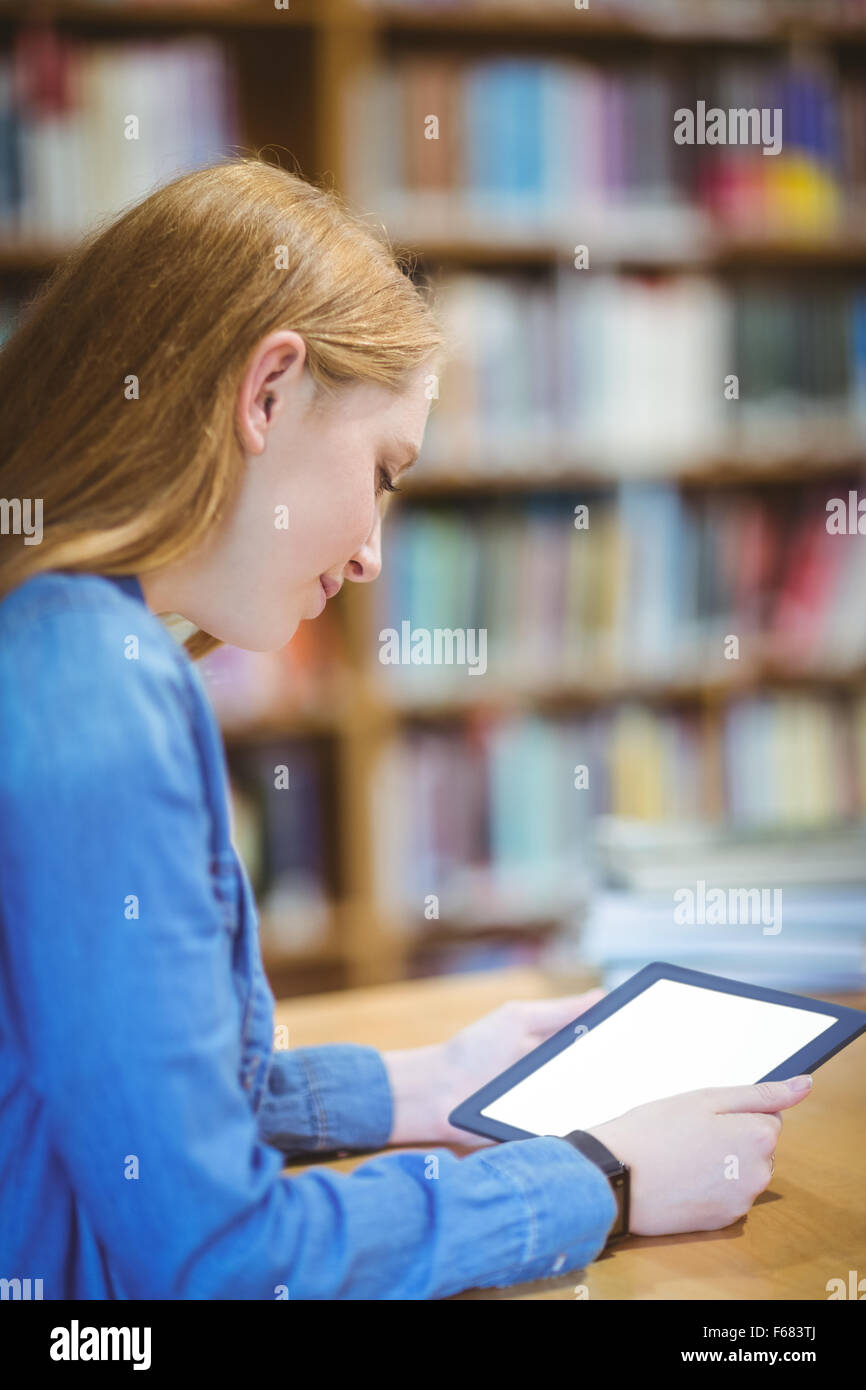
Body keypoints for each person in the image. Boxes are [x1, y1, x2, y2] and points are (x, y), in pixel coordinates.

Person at [0, 158, 813, 1300]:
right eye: (383, 473)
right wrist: (602, 1176)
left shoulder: (53, 640)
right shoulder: (98, 692)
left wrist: (431, 1080)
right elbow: (221, 1258)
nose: (375, 553)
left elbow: (113, 1087)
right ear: (268, 391)